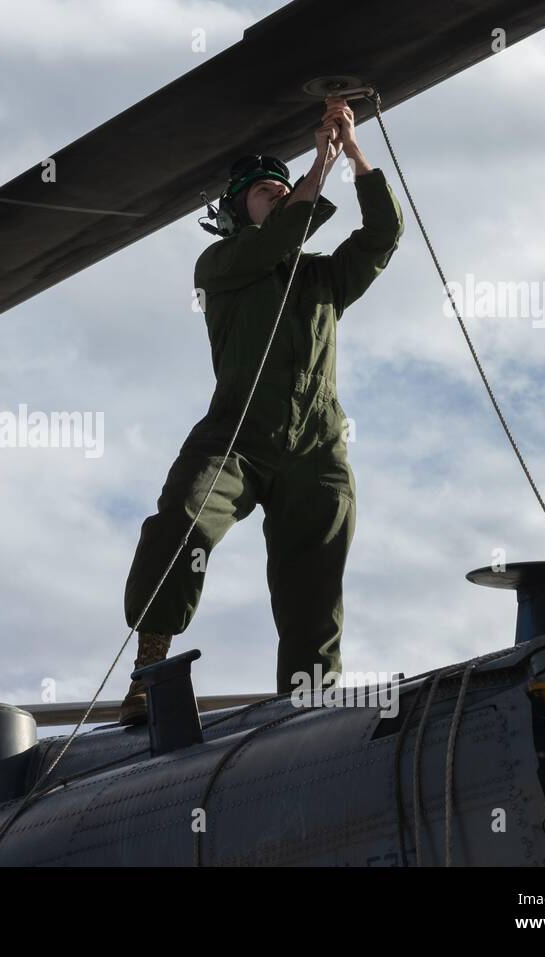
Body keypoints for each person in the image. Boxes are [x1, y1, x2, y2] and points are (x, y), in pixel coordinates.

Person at [119, 98, 404, 725]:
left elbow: (381, 237)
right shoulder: (222, 266)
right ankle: (149, 671)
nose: (277, 193)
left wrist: (354, 155)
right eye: (263, 191)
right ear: (235, 213)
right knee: (183, 525)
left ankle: (308, 704)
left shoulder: (320, 280)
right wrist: (315, 173)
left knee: (316, 582)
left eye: (283, 185)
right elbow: (275, 239)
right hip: (236, 439)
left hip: (317, 449)